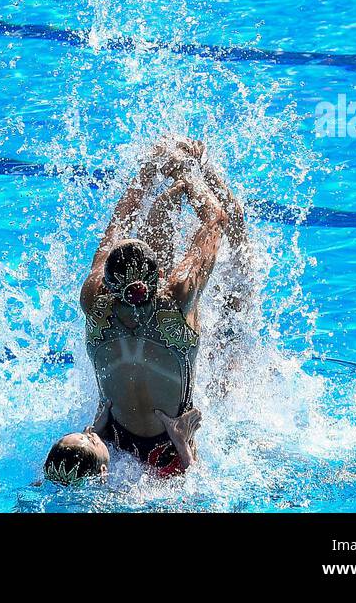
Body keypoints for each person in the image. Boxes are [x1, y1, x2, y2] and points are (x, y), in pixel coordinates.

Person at [43, 138, 252, 486]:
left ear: (107, 282)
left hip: (117, 436)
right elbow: (217, 217)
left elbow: (115, 230)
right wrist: (188, 172)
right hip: (172, 444)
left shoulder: (94, 301)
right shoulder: (179, 294)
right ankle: (191, 172)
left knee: (162, 209)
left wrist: (146, 172)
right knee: (236, 264)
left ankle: (177, 182)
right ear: (159, 278)